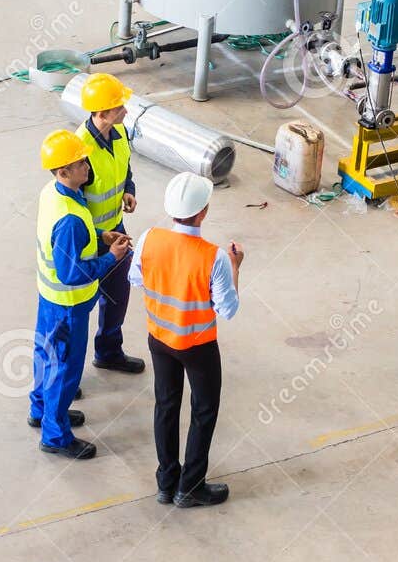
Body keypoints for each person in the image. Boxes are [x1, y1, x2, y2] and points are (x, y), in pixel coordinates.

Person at [129, 172, 242, 507]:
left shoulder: (149, 238)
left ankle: (166, 483)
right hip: (198, 346)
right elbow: (228, 309)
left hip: (159, 339)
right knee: (203, 410)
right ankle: (190, 488)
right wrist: (235, 267)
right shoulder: (214, 257)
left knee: (166, 405)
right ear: (203, 212)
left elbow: (136, 279)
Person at [30, 130, 131, 460]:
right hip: (68, 306)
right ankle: (56, 436)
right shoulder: (70, 219)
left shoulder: (54, 193)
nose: (87, 166)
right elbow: (71, 272)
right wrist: (111, 258)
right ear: (64, 171)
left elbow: (69, 239)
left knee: (46, 354)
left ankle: (41, 409)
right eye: (80, 163)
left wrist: (100, 236)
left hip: (49, 299)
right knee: (65, 370)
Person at [75, 73, 145, 376]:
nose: (125, 111)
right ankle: (66, 377)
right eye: (119, 107)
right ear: (102, 113)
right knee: (78, 309)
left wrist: (129, 189)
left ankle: (108, 352)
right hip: (87, 239)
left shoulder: (119, 133)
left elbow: (124, 167)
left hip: (115, 230)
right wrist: (99, 236)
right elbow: (72, 203)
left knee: (117, 294)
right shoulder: (80, 150)